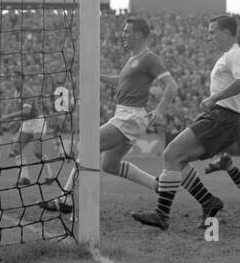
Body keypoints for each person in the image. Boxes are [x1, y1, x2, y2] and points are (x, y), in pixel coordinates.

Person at [39, 15, 178, 214]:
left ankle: (66, 199)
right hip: (126, 116)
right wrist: (97, 76)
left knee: (89, 145)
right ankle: (159, 187)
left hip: (130, 117)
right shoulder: (133, 59)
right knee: (110, 165)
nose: (122, 35)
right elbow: (119, 80)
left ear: (138, 35)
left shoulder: (149, 57)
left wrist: (160, 109)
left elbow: (172, 85)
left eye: (126, 31)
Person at [133, 14, 240, 231]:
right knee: (178, 160)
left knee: (171, 154)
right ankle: (208, 202)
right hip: (220, 116)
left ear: (226, 32)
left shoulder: (236, 55)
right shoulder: (229, 56)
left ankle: (162, 215)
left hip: (223, 117)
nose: (209, 37)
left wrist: (215, 98)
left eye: (212, 32)